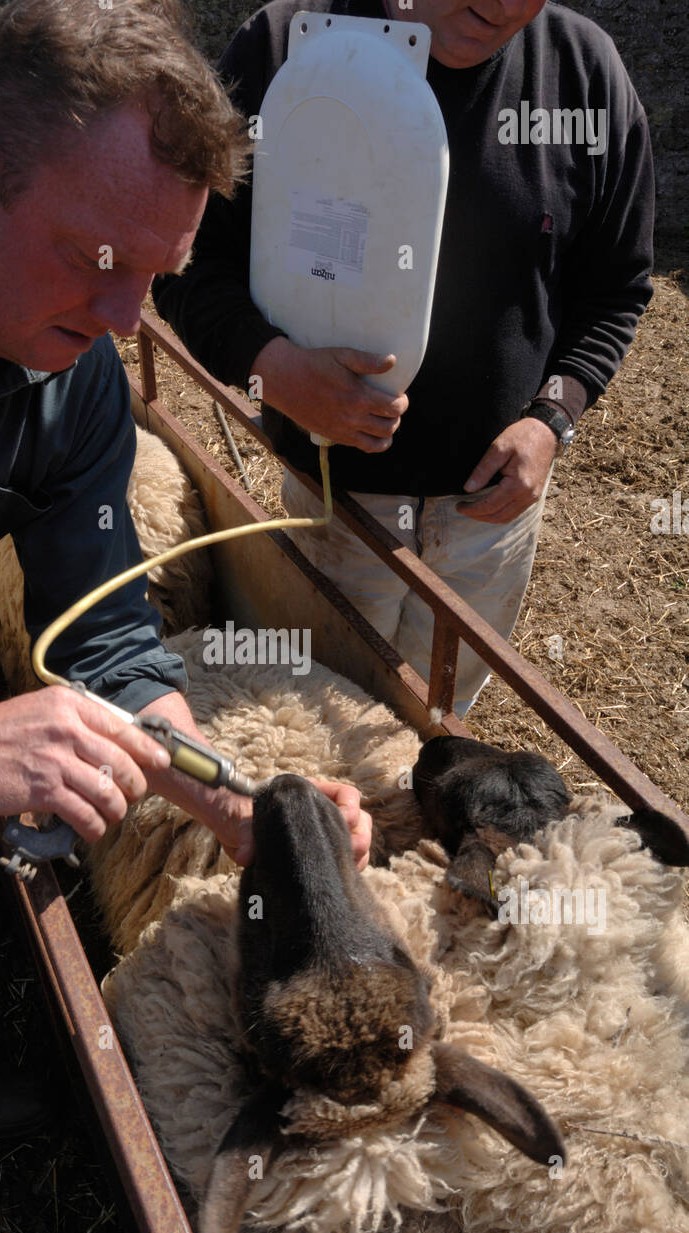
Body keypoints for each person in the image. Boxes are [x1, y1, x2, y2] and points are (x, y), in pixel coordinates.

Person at [0, 0, 371, 1138]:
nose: (128, 319)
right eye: (97, 259)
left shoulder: (76, 369)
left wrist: (227, 796)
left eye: (158, 275)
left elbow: (104, 638)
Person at [152, 0, 654, 715]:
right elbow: (190, 256)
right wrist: (272, 366)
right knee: (317, 722)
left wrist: (551, 418)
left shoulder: (583, 78)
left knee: (433, 727)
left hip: (490, 523)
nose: (500, 5)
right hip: (334, 505)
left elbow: (616, 289)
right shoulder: (287, 48)